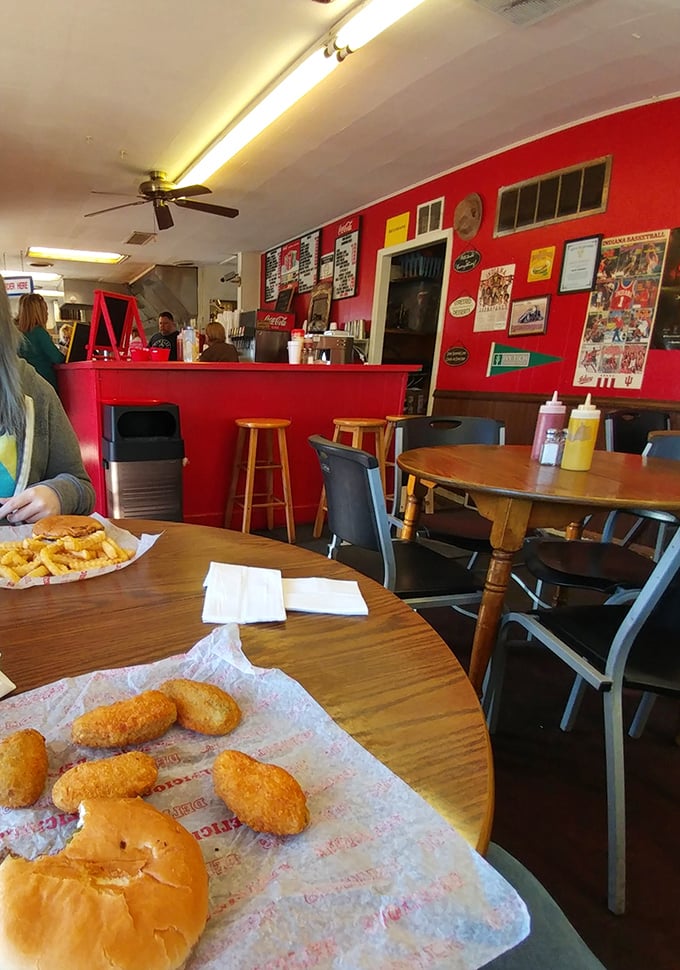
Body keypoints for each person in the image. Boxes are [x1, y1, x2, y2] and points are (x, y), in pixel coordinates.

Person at [0, 280, 95, 525]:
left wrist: (57, 494)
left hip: (21, 555)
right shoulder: (40, 333)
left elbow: (80, 485)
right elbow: (58, 358)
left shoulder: (38, 396)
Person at [16, 293, 65, 391]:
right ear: (39, 313)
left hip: (24, 385)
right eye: (45, 311)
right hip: (45, 384)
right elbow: (58, 358)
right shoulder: (39, 333)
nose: (47, 314)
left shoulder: (16, 334)